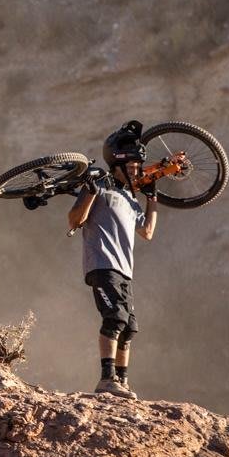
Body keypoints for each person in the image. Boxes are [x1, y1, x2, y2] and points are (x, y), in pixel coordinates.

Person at [67, 120, 158, 400]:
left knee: (129, 326)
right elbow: (75, 220)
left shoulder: (131, 199)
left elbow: (147, 232)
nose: (135, 171)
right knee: (115, 317)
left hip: (124, 271)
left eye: (137, 167)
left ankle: (121, 382)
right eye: (130, 166)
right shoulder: (101, 188)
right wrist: (91, 192)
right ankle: (106, 380)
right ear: (116, 166)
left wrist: (152, 199)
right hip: (101, 264)